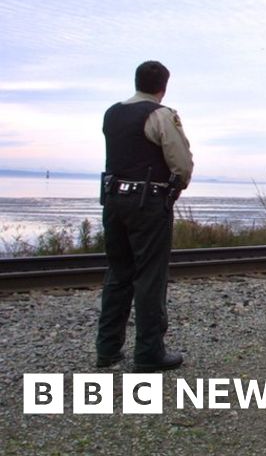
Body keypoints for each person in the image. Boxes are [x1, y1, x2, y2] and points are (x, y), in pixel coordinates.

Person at [96, 60, 193, 371]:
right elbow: (180, 161)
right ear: (163, 87)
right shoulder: (161, 115)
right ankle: (149, 353)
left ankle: (108, 349)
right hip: (147, 202)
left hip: (112, 199)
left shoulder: (112, 113)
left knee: (118, 273)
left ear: (136, 81)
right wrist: (177, 186)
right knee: (150, 277)